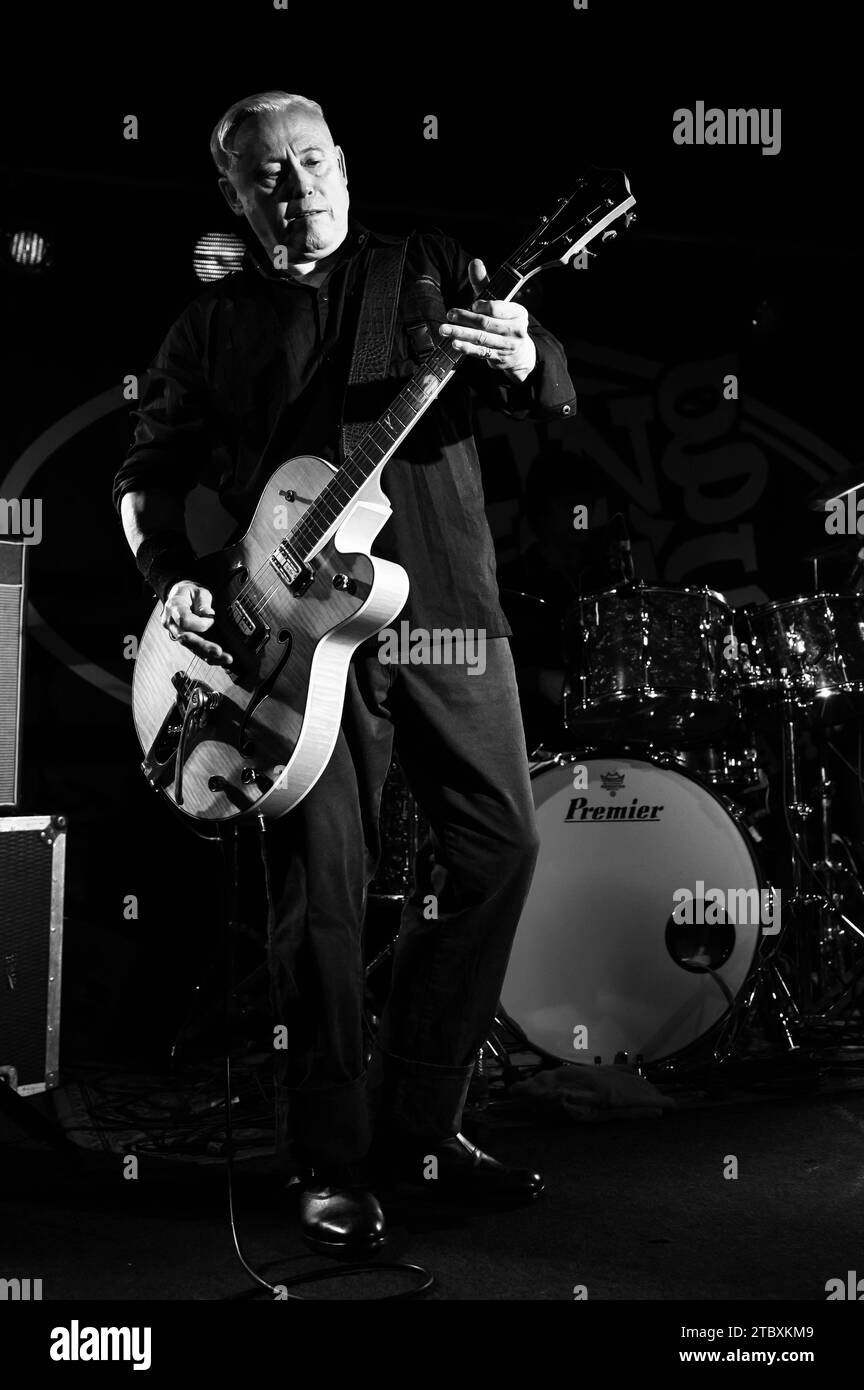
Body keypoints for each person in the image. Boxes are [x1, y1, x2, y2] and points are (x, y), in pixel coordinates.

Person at [113, 90, 577, 1257]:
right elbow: (147, 476)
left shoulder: (423, 266)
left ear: (346, 165)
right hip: (290, 642)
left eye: (314, 162)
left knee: (502, 851)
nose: (299, 187)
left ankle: (422, 1124)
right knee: (316, 899)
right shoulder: (207, 329)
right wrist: (171, 578)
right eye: (268, 175)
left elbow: (541, 378)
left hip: (448, 612)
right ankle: (329, 1157)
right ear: (234, 192)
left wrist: (525, 351)